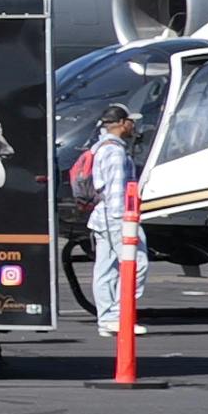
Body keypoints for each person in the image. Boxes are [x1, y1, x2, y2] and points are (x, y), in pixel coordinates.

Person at [71, 102, 144, 328]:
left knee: (105, 268)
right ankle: (120, 316)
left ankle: (107, 319)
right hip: (115, 217)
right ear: (122, 123)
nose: (134, 125)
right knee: (136, 263)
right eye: (131, 121)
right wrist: (123, 222)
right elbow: (116, 191)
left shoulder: (99, 147)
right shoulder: (114, 151)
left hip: (100, 217)